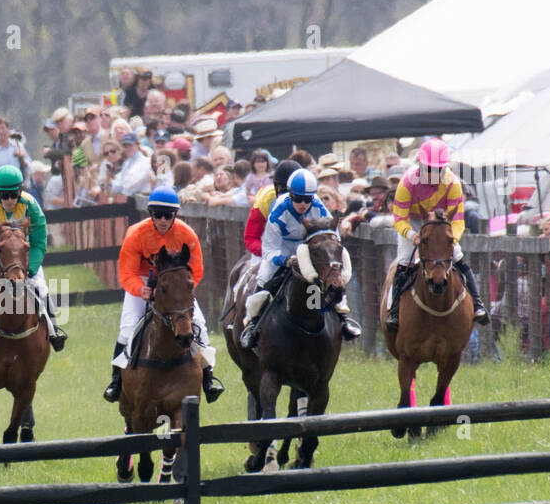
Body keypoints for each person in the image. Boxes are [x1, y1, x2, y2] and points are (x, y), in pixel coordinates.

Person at [102, 187, 223, 404]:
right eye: (158, 214)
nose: (163, 220)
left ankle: (209, 378)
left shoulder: (187, 235)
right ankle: (116, 382)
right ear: (151, 214)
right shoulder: (136, 234)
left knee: (200, 324)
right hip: (142, 283)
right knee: (128, 327)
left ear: (175, 215)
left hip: (175, 289)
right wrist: (142, 290)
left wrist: (180, 293)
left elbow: (196, 271)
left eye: (168, 215)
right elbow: (127, 272)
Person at [239, 169, 362, 349]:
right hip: (281, 247)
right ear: (290, 195)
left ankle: (343, 319)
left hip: (309, 246)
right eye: (297, 198)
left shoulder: (319, 207)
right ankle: (252, 324)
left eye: (307, 199)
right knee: (264, 278)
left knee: (333, 277)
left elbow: (333, 238)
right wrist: (285, 260)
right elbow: (269, 248)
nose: (303, 203)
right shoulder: (279, 210)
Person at [0, 164, 65, 351]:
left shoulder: (31, 205)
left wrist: (31, 266)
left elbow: (39, 241)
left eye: (13, 195)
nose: (9, 200)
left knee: (40, 286)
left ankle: (53, 330)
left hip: (23, 248)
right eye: (4, 195)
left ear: (20, 191)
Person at [385, 138, 488, 333]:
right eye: (429, 169)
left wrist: (451, 240)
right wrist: (411, 235)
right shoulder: (407, 182)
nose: (433, 174)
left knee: (458, 257)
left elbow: (458, 221)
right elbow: (399, 218)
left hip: (441, 223)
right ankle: (393, 311)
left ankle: (478, 304)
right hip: (413, 221)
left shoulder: (453, 183)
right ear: (420, 165)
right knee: (404, 261)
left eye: (438, 169)